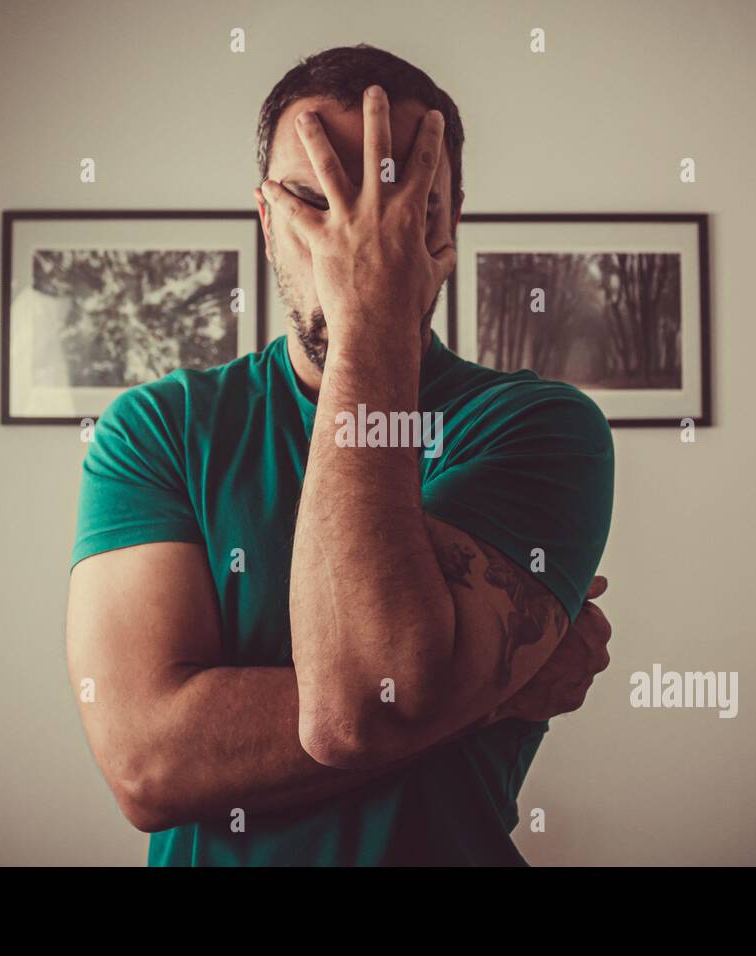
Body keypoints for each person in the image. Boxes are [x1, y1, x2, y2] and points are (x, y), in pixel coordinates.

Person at [65, 44, 616, 866]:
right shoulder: (158, 428)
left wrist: (369, 323)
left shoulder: (539, 426)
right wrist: (479, 698)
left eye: (403, 203)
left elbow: (364, 704)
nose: (359, 239)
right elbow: (150, 766)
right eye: (314, 198)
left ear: (447, 220)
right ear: (263, 216)